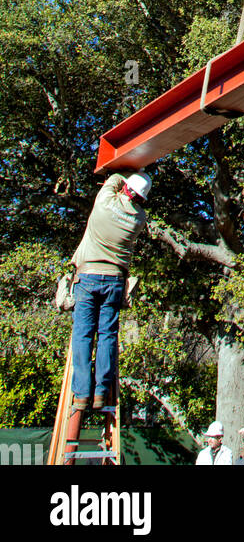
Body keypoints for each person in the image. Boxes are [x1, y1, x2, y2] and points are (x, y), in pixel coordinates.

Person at [69, 170, 151, 413]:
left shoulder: (104, 201)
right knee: (107, 335)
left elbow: (114, 176)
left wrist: (130, 168)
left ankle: (82, 393)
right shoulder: (139, 219)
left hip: (88, 275)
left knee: (83, 334)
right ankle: (101, 391)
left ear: (126, 189)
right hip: (115, 280)